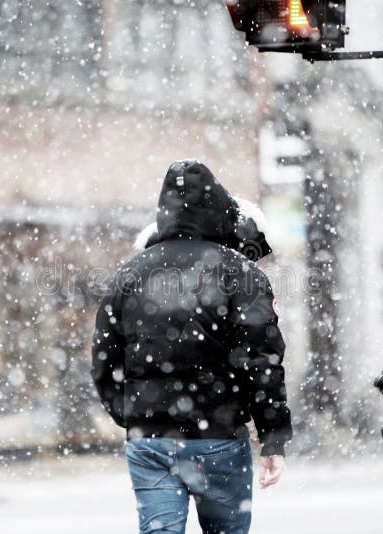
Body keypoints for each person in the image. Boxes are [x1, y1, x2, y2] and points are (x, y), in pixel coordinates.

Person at [92, 160, 293, 534]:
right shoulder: (241, 273)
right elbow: (263, 361)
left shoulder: (130, 275)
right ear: (219, 209)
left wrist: (134, 415)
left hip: (150, 440)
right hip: (218, 435)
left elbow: (105, 359)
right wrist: (272, 437)